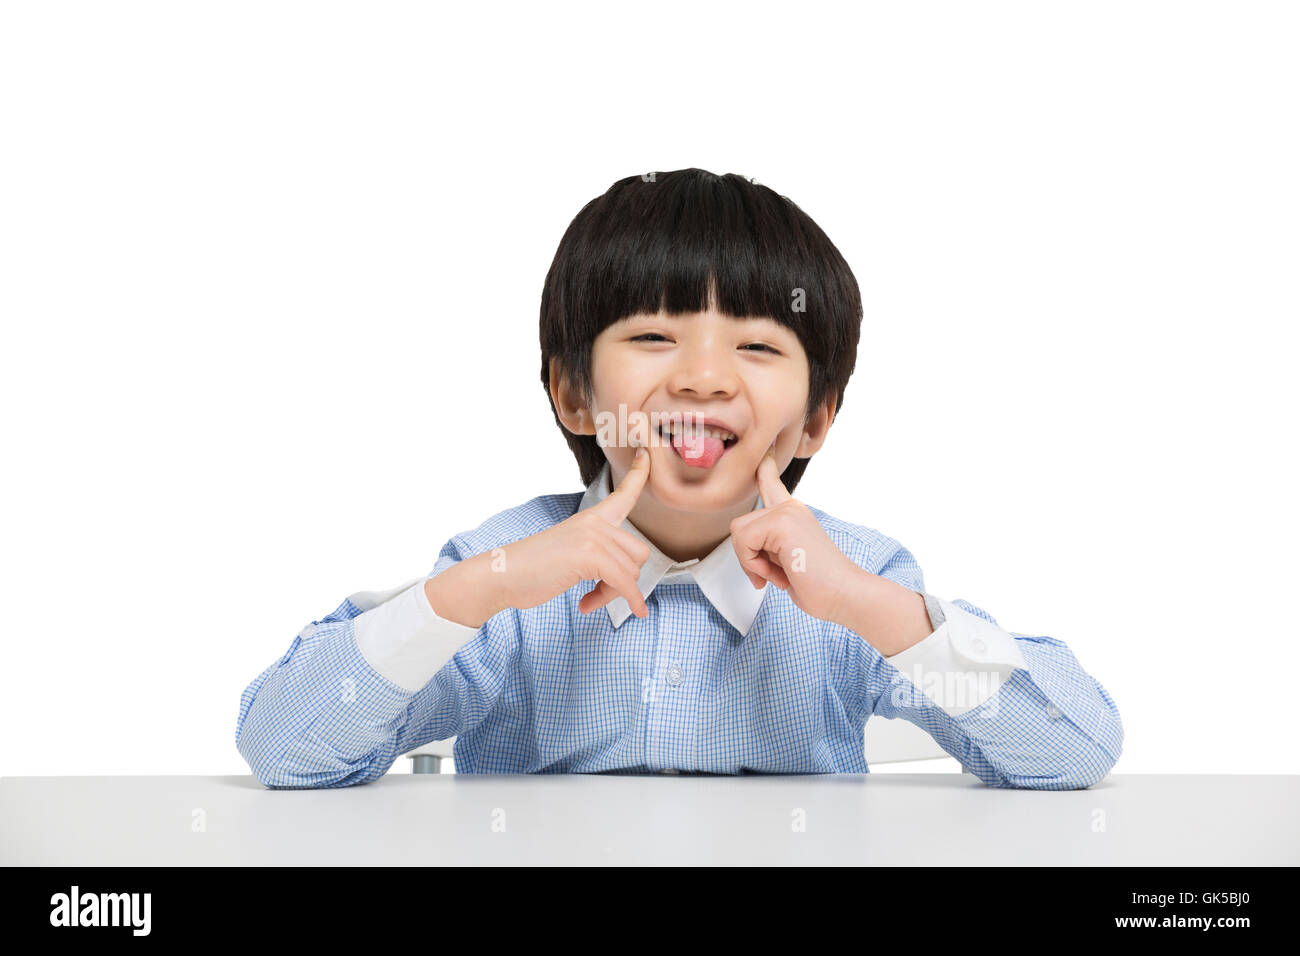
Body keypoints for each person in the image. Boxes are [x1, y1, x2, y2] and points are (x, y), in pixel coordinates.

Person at [236, 168, 1122, 788]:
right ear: (575, 395)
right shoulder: (505, 570)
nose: (704, 377)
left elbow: (1073, 751)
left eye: (759, 346)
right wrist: (480, 589)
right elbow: (284, 750)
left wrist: (866, 607)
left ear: (815, 417)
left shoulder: (857, 580)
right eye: (655, 337)